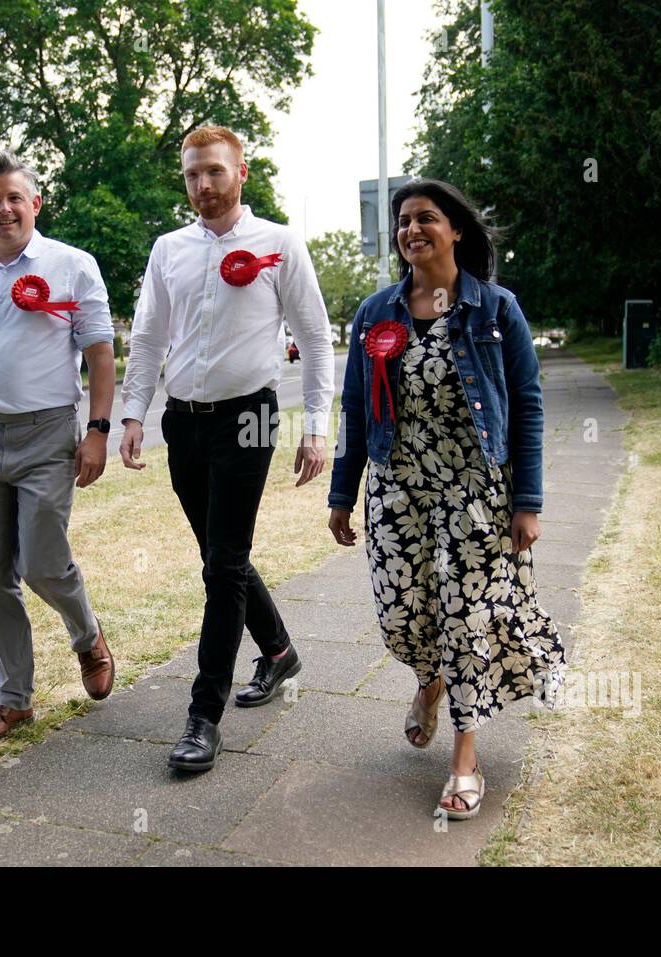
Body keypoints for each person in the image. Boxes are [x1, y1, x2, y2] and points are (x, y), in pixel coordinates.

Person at [327, 178, 567, 819]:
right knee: (404, 615)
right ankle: (429, 679)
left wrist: (528, 500)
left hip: (474, 492)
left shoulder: (495, 309)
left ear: (456, 229)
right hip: (399, 489)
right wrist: (342, 494)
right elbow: (355, 405)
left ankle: (465, 759)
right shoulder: (377, 313)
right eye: (403, 221)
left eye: (425, 218)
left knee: (468, 619)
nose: (411, 230)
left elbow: (529, 406)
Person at [119, 125, 334, 772]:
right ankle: (279, 651)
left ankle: (202, 716)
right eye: (191, 175)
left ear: (241, 171)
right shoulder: (168, 249)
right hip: (183, 423)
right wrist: (133, 413)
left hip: (250, 419)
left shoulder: (278, 243)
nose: (202, 186)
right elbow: (148, 337)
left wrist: (317, 426)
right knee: (222, 557)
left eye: (214, 172)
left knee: (223, 564)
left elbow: (317, 337)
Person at [0, 147, 118, 745]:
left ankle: (87, 635)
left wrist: (97, 432)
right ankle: (13, 700)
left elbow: (99, 353)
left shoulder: (73, 265)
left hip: (47, 435)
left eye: (15, 198)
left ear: (34, 203)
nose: (4, 209)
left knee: (42, 561)